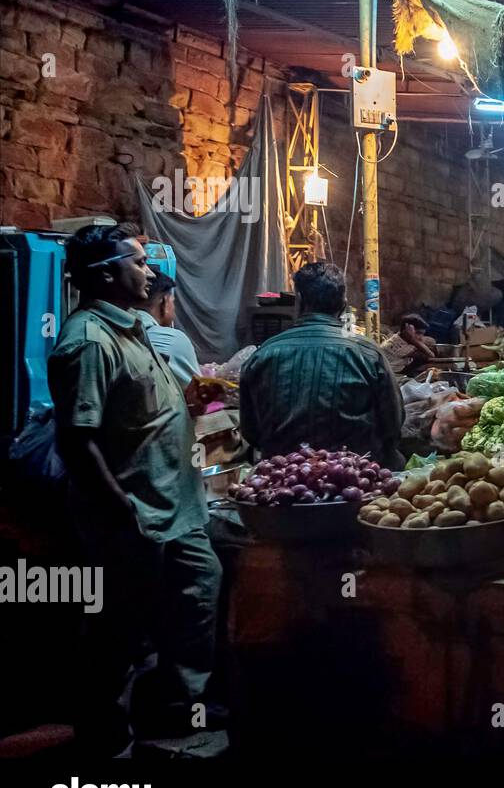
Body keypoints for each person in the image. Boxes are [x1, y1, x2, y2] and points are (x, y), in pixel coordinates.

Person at [49, 223, 221, 755]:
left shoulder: (131, 327)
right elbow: (79, 441)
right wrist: (121, 510)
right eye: (139, 262)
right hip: (136, 512)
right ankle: (103, 738)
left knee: (199, 588)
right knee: (119, 627)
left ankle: (172, 705)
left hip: (177, 506)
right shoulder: (86, 342)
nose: (149, 272)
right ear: (106, 274)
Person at [240, 262, 405, 469]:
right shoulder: (367, 353)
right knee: (396, 459)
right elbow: (393, 426)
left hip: (280, 479)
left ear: (298, 301)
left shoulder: (263, 354)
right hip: (354, 476)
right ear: (344, 304)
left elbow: (251, 432)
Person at [138, 272, 202, 387]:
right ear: (164, 301)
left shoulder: (113, 333)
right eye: (173, 301)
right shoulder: (174, 340)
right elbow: (197, 391)